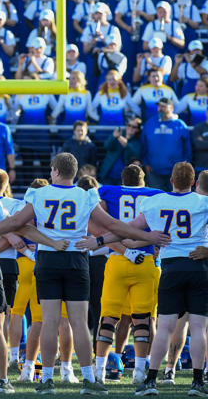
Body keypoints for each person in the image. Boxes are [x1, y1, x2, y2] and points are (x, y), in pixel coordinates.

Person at [0, 153, 171, 395]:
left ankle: (46, 380)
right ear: (74, 173)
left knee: (49, 322)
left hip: (48, 258)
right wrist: (148, 236)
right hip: (76, 257)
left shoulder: (40, 193)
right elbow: (112, 225)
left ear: (55, 171)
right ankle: (88, 379)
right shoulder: (84, 195)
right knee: (78, 322)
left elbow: (15, 223)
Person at [79, 162, 208, 396]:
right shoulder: (203, 202)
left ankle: (150, 380)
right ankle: (197, 382)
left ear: (170, 180)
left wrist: (99, 241)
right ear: (193, 183)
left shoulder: (156, 202)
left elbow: (126, 228)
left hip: (170, 268)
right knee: (198, 328)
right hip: (197, 266)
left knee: (165, 327)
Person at [94, 165, 161, 385]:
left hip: (117, 259)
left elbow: (94, 222)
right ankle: (140, 371)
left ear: (122, 178)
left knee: (109, 317)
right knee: (142, 318)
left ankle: (100, 370)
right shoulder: (155, 194)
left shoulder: (109, 191)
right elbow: (161, 231)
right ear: (143, 180)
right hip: (146, 261)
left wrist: (122, 245)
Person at [140, 98, 191, 190]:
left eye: (163, 106)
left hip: (175, 172)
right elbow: (143, 145)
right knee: (156, 200)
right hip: (154, 171)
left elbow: (187, 148)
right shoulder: (150, 123)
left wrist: (184, 166)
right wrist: (145, 163)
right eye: (159, 106)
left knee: (174, 200)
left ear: (171, 108)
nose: (160, 108)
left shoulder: (180, 125)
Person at [99, 118, 142, 185]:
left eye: (133, 127)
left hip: (124, 179)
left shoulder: (137, 142)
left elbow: (136, 154)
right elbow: (107, 146)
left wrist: (126, 145)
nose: (130, 128)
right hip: (108, 175)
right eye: (129, 125)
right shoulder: (117, 136)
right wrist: (113, 137)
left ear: (137, 129)